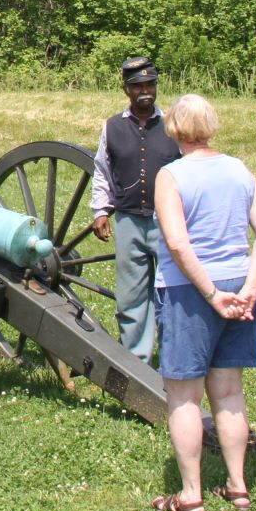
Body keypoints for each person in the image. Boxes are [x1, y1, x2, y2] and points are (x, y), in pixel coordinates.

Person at [149, 94, 256, 511]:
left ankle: (191, 495)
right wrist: (249, 287)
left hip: (191, 290)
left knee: (184, 397)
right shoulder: (239, 169)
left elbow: (176, 242)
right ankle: (238, 486)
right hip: (237, 285)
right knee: (228, 392)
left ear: (173, 128)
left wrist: (210, 293)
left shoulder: (171, 176)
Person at [91, 56, 182, 362]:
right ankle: (136, 361)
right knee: (131, 297)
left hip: (166, 220)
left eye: (150, 84)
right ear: (126, 90)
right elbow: (102, 170)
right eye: (138, 86)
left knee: (171, 291)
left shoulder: (173, 125)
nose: (145, 90)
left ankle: (172, 354)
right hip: (128, 219)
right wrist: (100, 210)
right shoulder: (112, 127)